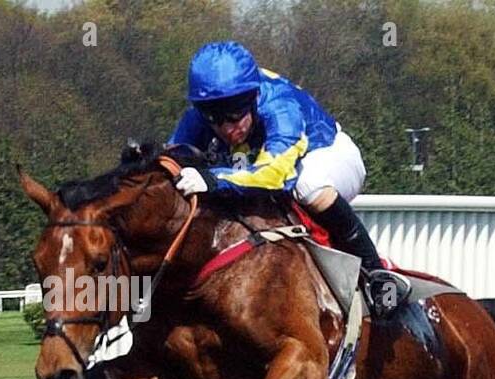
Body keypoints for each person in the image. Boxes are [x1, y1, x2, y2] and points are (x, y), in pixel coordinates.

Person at [168, 40, 409, 316]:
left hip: (328, 154)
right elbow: (172, 157)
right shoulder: (205, 111)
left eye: (235, 114)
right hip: (265, 165)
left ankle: (376, 272)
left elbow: (274, 176)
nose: (226, 127)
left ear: (253, 97)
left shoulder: (280, 106)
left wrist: (214, 179)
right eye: (214, 117)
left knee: (307, 185)